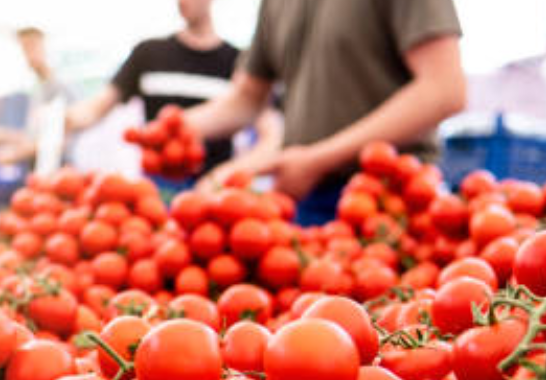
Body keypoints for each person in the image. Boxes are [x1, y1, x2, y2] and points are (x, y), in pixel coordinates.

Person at [183, 0, 467, 224]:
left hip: (393, 201)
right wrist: (177, 129)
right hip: (305, 199)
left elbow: (444, 89)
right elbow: (247, 97)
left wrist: (318, 159)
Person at [64, 0, 282, 189]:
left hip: (212, 185)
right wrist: (66, 118)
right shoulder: (148, 53)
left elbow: (270, 131)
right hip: (157, 183)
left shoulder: (238, 63)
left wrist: (229, 174)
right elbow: (98, 105)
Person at [0, 27, 74, 167]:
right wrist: (2, 135)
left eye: (32, 46)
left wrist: (16, 153)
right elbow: (35, 135)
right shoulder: (39, 90)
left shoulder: (60, 87)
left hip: (60, 171)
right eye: (24, 48)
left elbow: (64, 138)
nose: (28, 55)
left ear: (46, 47)